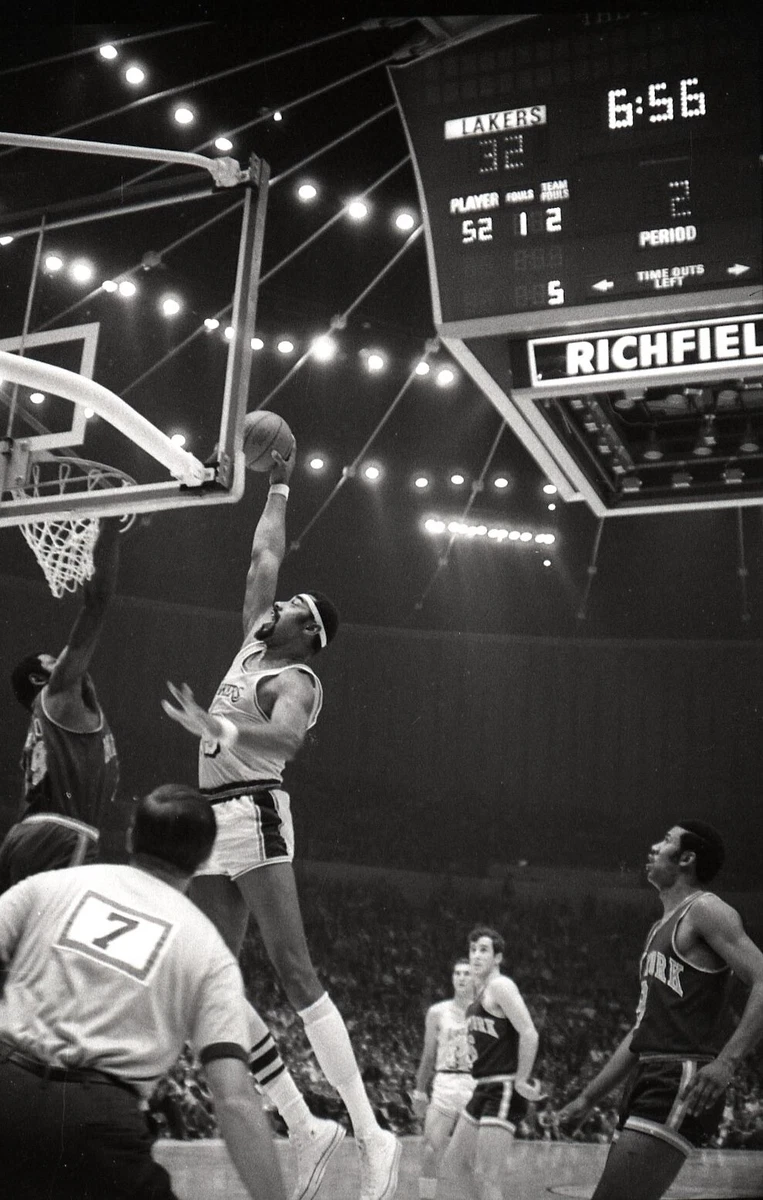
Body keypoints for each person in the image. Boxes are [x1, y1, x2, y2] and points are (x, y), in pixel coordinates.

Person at [161, 444, 400, 1200]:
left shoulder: (295, 676)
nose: (277, 601)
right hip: (211, 821)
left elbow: (288, 741)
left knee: (294, 972)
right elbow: (264, 552)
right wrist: (279, 479)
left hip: (255, 811)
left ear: (307, 631)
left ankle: (369, 1130)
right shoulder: (249, 642)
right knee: (218, 984)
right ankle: (306, 1125)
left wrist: (222, 730)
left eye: (290, 604)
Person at [0, 783, 286, 1200]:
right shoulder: (208, 950)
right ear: (207, 857)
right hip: (101, 1128)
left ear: (131, 835)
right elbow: (235, 1099)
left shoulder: (50, 887)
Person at [558, 821, 763, 1200]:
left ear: (686, 858)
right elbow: (640, 1031)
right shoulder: (657, 930)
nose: (653, 847)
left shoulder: (706, 910)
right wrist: (589, 1097)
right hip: (649, 1073)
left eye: (665, 840)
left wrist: (727, 1062)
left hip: (681, 1075)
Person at [0, 516, 121, 892]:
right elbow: (97, 604)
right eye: (56, 659)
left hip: (27, 837)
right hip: (62, 835)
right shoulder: (58, 693)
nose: (67, 660)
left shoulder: (49, 725)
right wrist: (112, 528)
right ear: (41, 679)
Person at [441, 926, 541, 1200]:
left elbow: (530, 1033)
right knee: (455, 1161)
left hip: (503, 1087)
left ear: (497, 957)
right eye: (472, 950)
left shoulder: (501, 986)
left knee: (488, 1175)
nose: (475, 955)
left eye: (483, 950)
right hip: (483, 1088)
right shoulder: (479, 994)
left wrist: (521, 1079)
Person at [410, 957, 476, 1200]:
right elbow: (428, 1054)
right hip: (445, 1083)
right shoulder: (437, 1012)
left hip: (475, 1085)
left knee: (470, 1162)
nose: (461, 977)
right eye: (457, 973)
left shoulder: (489, 1012)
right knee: (429, 1150)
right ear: (452, 978)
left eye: (466, 973)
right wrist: (419, 1090)